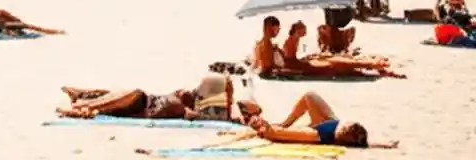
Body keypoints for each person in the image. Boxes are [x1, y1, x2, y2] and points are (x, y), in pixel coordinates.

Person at [244, 91, 398, 149]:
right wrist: (384, 144)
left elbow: (277, 134)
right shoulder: (340, 128)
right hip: (330, 121)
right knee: (309, 96)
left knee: (284, 129)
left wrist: (262, 126)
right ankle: (286, 121)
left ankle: (284, 123)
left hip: (321, 129)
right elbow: (365, 143)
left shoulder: (316, 135)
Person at [57, 75, 236, 121]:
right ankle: (84, 96)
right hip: (143, 101)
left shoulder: (188, 111)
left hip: (142, 106)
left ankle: (84, 105)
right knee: (123, 94)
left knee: (134, 93)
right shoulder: (187, 100)